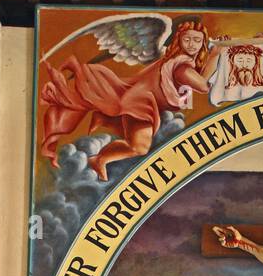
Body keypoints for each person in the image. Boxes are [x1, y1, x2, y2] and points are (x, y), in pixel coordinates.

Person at [41, 19, 219, 178]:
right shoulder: (181, 67)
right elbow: (203, 86)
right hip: (140, 103)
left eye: (197, 40)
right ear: (179, 39)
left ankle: (100, 160)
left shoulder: (176, 60)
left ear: (203, 42)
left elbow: (197, 78)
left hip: (141, 101)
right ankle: (99, 159)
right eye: (187, 39)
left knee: (138, 146)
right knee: (139, 147)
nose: (192, 44)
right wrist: (215, 55)